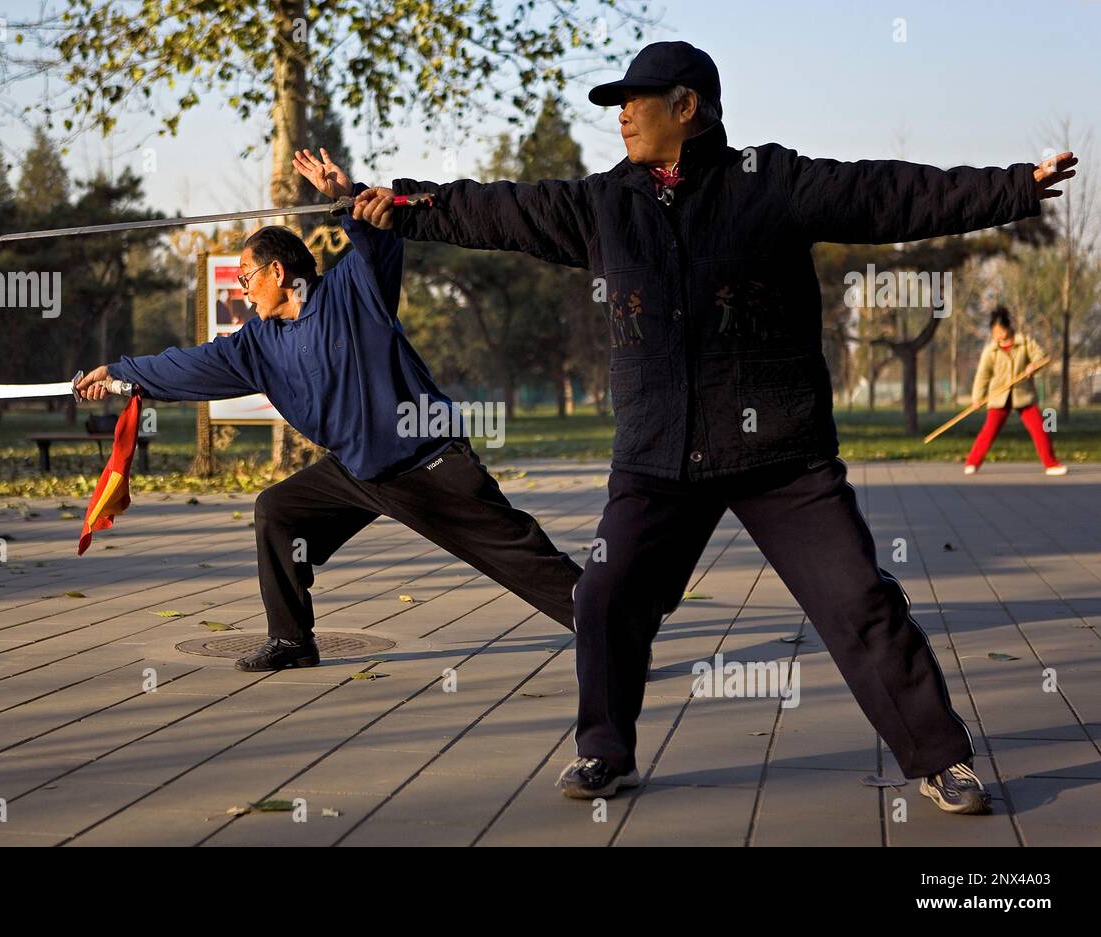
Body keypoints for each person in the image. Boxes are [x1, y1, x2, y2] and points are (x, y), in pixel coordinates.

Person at [355, 41, 1077, 814]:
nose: (622, 114)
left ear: (687, 105)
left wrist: (1011, 187)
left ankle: (941, 757)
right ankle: (604, 751)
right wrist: (398, 201)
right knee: (603, 593)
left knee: (859, 599)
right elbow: (496, 210)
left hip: (780, 454)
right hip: (658, 453)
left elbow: (886, 194)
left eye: (635, 99)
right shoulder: (605, 203)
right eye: (617, 104)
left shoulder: (769, 182)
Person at [77, 149, 582, 672]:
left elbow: (378, 242)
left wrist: (346, 197)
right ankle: (293, 640)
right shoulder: (257, 343)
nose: (243, 291)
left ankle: (611, 619)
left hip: (426, 461)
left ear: (277, 271)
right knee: (279, 512)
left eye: (246, 279)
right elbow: (189, 366)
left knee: (516, 553)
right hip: (358, 471)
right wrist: (120, 374)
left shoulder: (352, 293)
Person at [963, 307, 1065, 476]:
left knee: (1040, 428)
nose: (998, 335)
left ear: (1008, 327)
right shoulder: (991, 351)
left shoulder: (1024, 343)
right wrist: (977, 398)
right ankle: (972, 462)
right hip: (998, 397)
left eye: (1000, 331)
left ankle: (1051, 464)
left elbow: (1041, 357)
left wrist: (1034, 365)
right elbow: (983, 376)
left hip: (1023, 395)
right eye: (994, 332)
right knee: (989, 431)